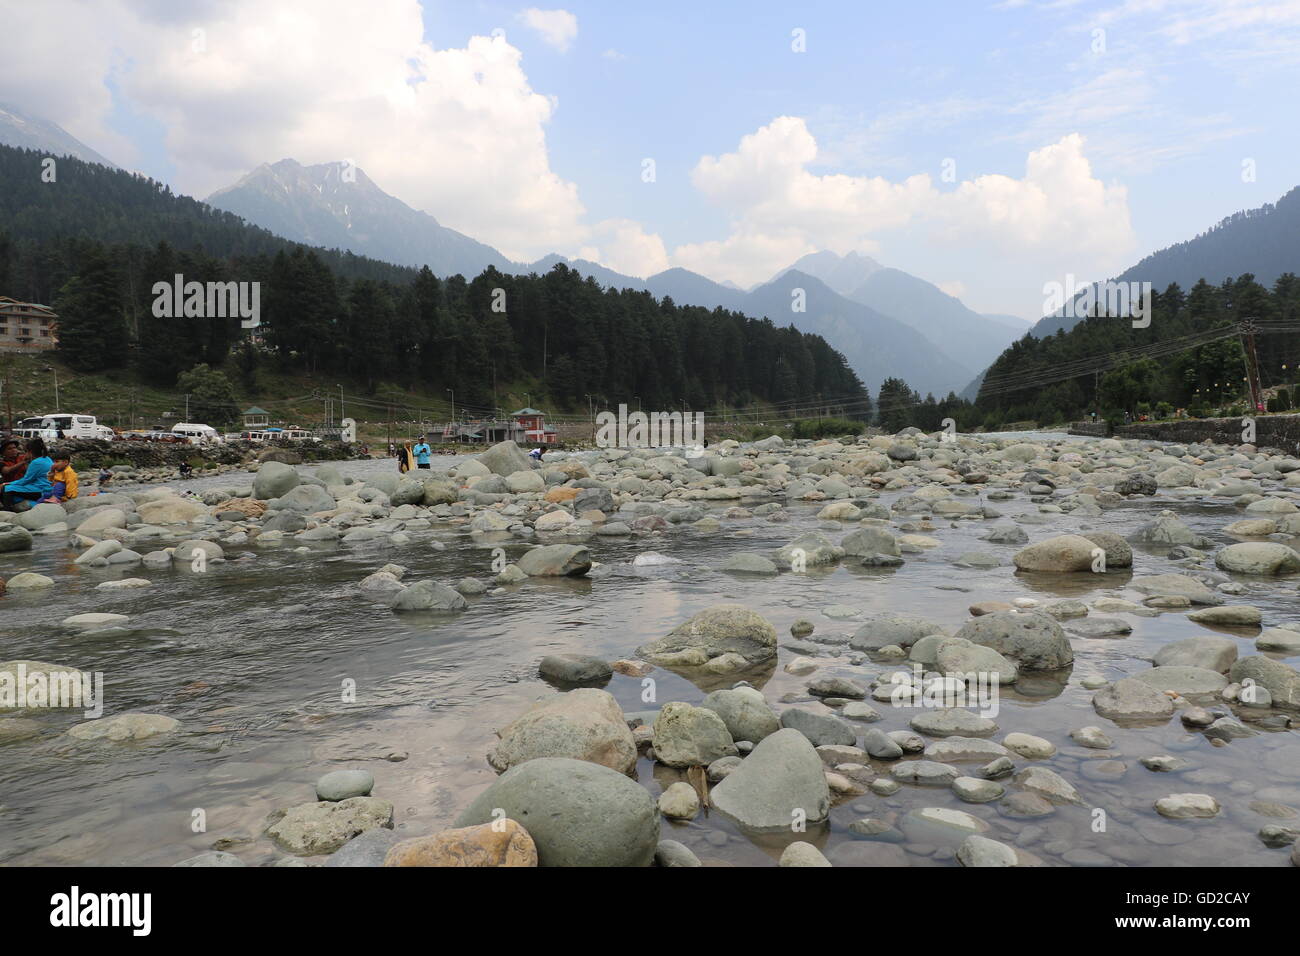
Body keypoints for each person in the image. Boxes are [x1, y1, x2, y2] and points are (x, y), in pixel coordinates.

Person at [2, 439, 53, 510]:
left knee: (6, 489)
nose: (14, 450)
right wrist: (24, 461)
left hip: (40, 488)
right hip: (40, 486)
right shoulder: (47, 458)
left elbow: (26, 479)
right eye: (10, 449)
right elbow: (7, 471)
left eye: (14, 448)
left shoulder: (34, 462)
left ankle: (8, 511)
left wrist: (8, 484)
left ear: (30, 452)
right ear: (3, 452)